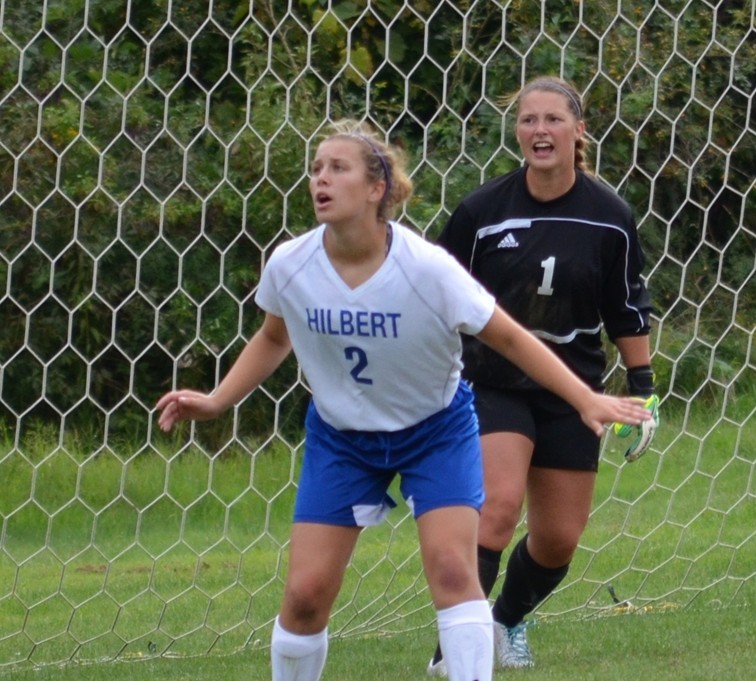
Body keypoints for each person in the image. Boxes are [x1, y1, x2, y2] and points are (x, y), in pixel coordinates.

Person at [155, 119, 650, 681]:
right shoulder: (290, 264)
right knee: (305, 595)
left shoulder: (426, 269)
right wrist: (218, 401)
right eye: (316, 168)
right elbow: (274, 335)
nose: (321, 179)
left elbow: (509, 336)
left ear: (376, 189)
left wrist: (584, 398)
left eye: (337, 168)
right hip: (342, 440)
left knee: (452, 571)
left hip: (434, 433)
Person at [426, 76, 658, 675]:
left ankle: (506, 620)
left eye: (553, 120)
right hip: (492, 380)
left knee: (558, 539)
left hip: (572, 390)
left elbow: (626, 309)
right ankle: (456, 648)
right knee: (498, 507)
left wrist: (643, 390)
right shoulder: (481, 212)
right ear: (517, 132)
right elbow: (436, 292)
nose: (539, 131)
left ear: (578, 130)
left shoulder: (610, 216)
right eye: (528, 121)